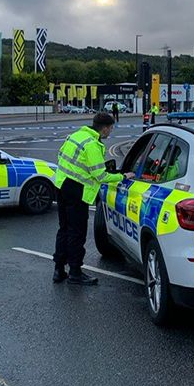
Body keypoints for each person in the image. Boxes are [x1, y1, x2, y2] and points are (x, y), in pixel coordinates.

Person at [53, 112, 135, 285]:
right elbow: (100, 176)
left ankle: (59, 270)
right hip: (77, 191)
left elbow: (61, 157)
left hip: (61, 186)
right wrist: (123, 176)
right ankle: (75, 272)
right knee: (77, 233)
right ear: (104, 128)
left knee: (64, 230)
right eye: (111, 128)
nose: (111, 132)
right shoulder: (92, 145)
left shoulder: (76, 135)